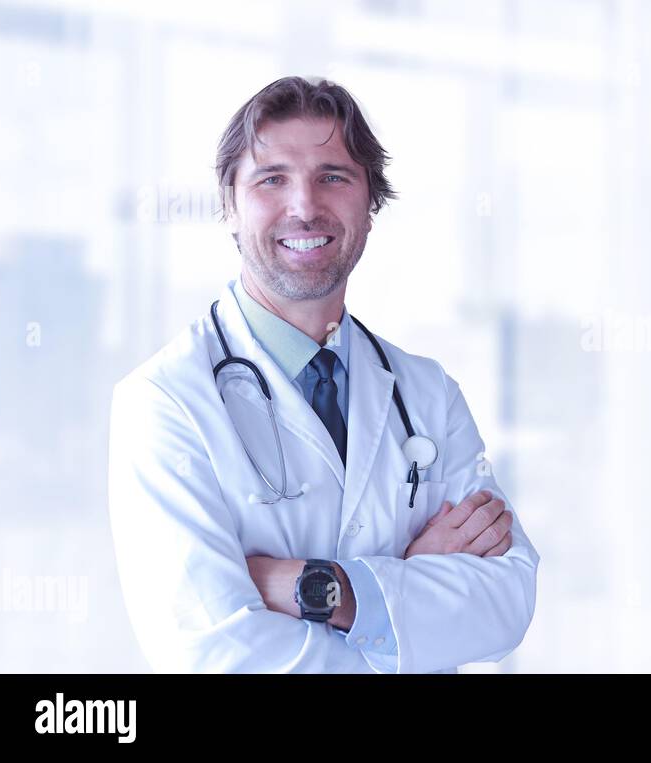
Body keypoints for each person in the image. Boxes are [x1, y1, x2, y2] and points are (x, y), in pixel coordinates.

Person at [107, 76, 539, 673]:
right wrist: (405, 592)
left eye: (333, 177)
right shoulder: (164, 402)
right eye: (272, 179)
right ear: (229, 207)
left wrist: (316, 586)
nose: (305, 206)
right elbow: (212, 656)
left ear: (371, 204)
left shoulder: (428, 393)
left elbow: (505, 603)